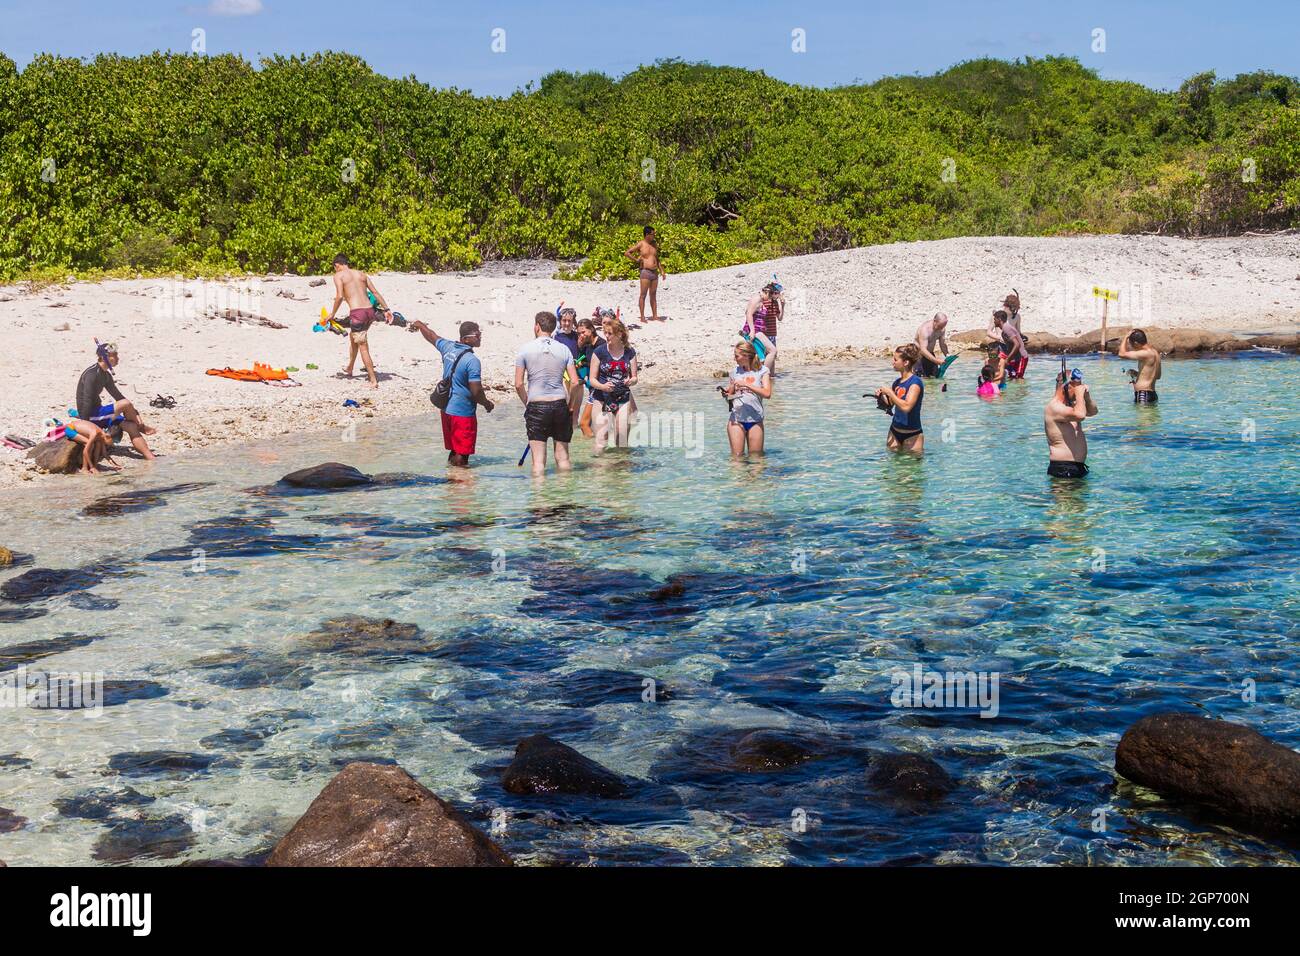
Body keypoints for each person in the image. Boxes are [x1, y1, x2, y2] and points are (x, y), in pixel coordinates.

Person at [408, 319, 494, 466]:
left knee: (455, 450)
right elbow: (476, 390)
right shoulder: (472, 360)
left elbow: (431, 336)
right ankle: (461, 486)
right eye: (477, 334)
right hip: (463, 413)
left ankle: (450, 482)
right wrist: (486, 403)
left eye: (480, 333)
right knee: (462, 455)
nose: (480, 336)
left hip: (446, 410)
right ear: (466, 339)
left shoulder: (448, 347)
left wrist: (421, 325)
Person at [515, 311, 579, 476]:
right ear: (553, 327)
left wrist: (527, 403)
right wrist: (570, 406)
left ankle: (540, 501)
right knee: (563, 458)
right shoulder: (564, 349)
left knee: (538, 462)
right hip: (559, 404)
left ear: (536, 326)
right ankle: (566, 498)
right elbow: (575, 382)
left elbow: (518, 384)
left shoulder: (525, 349)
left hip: (537, 404)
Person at [73, 340, 157, 461]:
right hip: (90, 416)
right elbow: (86, 400)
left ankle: (151, 458)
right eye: (115, 355)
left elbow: (118, 396)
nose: (118, 358)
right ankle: (142, 427)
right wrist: (85, 425)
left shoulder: (106, 375)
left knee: (131, 426)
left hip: (100, 415)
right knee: (125, 404)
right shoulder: (91, 374)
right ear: (104, 357)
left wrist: (136, 413)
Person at [327, 254, 395, 389]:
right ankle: (350, 368)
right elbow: (375, 293)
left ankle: (373, 380)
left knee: (363, 346)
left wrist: (332, 314)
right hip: (369, 311)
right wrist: (386, 309)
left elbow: (340, 296)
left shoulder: (339, 276)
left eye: (335, 268)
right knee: (354, 337)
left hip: (357, 313)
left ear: (337, 265)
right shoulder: (361, 274)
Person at [590, 317, 639, 452]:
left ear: (619, 334)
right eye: (605, 333)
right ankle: (600, 470)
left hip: (622, 398)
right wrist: (603, 386)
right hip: (601, 398)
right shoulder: (599, 352)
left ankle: (621, 470)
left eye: (610, 333)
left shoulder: (630, 352)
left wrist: (631, 381)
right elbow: (592, 380)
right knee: (601, 440)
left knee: (622, 441)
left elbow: (635, 377)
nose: (606, 336)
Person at [1044, 366, 1099, 478]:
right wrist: (1079, 394)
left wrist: (1086, 397)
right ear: (1067, 386)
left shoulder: (1072, 405)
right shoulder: (1054, 407)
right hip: (1063, 468)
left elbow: (1093, 411)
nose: (1081, 388)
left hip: (1078, 467)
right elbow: (1080, 415)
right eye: (1077, 386)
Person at [724, 339, 772, 457]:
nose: (734, 359)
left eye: (737, 356)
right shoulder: (734, 372)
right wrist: (727, 394)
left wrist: (746, 385)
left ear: (746, 356)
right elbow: (731, 398)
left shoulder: (762, 371)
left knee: (756, 460)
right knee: (737, 458)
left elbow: (767, 394)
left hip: (755, 420)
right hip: (736, 419)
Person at [875, 343, 924, 454]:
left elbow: (907, 407)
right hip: (894, 431)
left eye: (896, 360)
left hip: (913, 434)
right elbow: (891, 405)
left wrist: (891, 393)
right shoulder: (897, 383)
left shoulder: (915, 383)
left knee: (911, 469)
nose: (893, 362)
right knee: (893, 465)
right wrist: (882, 397)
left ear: (905, 363)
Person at [625, 226, 665, 322]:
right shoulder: (641, 244)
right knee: (643, 295)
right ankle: (642, 317)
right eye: (652, 234)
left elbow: (657, 259)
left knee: (653, 294)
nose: (654, 236)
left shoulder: (654, 244)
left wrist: (662, 271)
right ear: (647, 235)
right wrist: (636, 260)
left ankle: (655, 316)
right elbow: (627, 253)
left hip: (655, 272)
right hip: (645, 272)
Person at [573, 317, 605, 436]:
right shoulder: (587, 345)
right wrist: (580, 347)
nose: (581, 335)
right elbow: (585, 361)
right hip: (593, 387)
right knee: (594, 424)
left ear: (591, 330)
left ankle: (592, 452)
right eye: (579, 333)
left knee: (584, 424)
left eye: (583, 332)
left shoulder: (601, 346)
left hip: (599, 388)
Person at [1118, 328, 1162, 404]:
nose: (1132, 347)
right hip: (1152, 394)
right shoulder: (1155, 353)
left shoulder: (1145, 353)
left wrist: (1126, 337)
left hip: (1143, 395)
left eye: (1131, 345)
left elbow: (1122, 354)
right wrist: (1137, 374)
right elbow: (1157, 376)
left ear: (1136, 343)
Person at [990, 310, 1028, 379]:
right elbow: (1011, 346)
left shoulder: (1006, 328)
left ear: (999, 319)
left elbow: (1017, 345)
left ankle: (1022, 390)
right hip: (1014, 358)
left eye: (995, 319)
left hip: (1021, 357)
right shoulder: (1004, 331)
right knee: (1011, 377)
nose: (994, 321)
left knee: (1018, 378)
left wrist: (1008, 359)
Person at [914, 313, 950, 377]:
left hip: (930, 354)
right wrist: (936, 361)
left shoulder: (942, 329)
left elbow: (942, 344)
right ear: (934, 321)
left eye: (943, 326)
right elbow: (923, 349)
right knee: (920, 378)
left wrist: (947, 355)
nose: (941, 328)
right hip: (919, 355)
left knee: (934, 377)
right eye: (940, 326)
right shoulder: (925, 330)